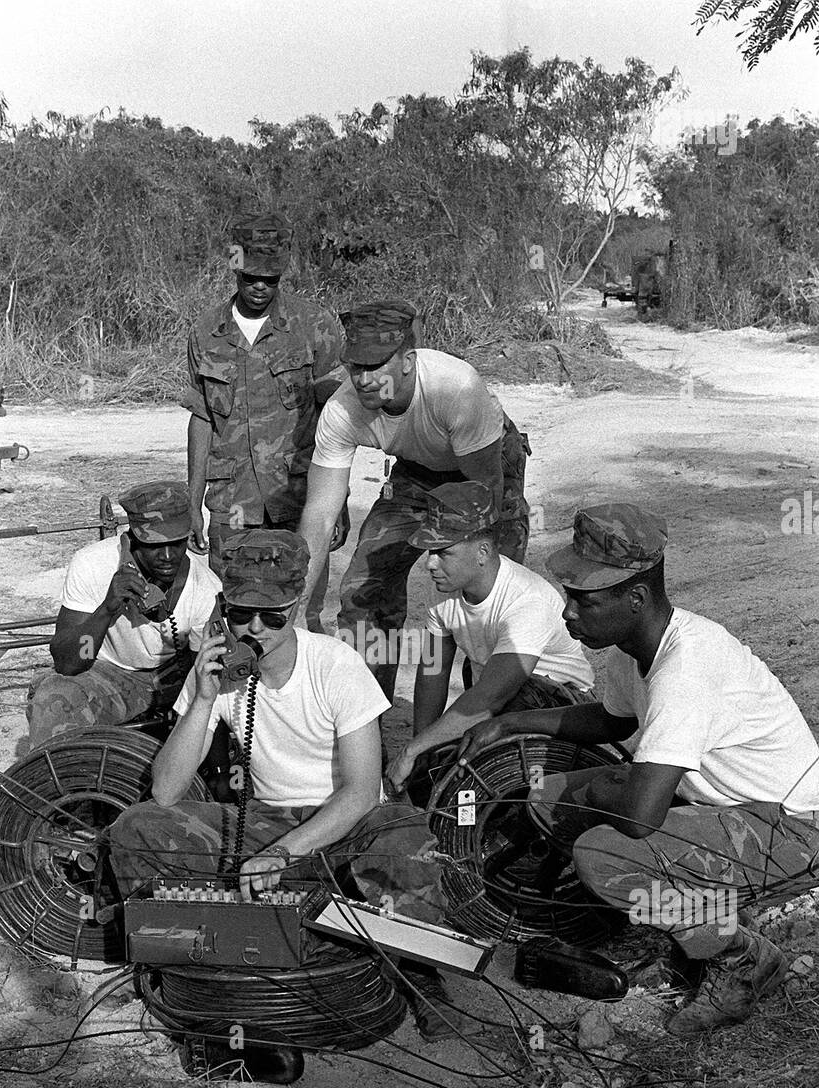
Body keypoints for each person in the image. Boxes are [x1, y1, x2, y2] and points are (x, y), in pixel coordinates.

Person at [459, 502, 819, 1037]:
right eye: (568, 596)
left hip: (790, 828)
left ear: (636, 597)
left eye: (584, 600)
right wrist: (510, 723)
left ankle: (743, 959)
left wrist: (601, 793)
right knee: (546, 797)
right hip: (725, 805)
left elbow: (640, 818)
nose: (568, 613)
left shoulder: (685, 669)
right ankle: (678, 906)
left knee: (603, 853)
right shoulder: (635, 645)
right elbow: (610, 718)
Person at [108, 529, 457, 1048]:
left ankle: (420, 976)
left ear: (294, 609)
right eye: (242, 614)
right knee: (136, 828)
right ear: (224, 610)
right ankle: (177, 957)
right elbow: (165, 791)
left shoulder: (335, 664)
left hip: (344, 827)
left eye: (272, 617)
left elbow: (363, 792)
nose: (255, 629)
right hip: (265, 822)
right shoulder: (219, 671)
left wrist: (281, 854)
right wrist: (202, 699)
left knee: (403, 840)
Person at [296, 299, 532, 697]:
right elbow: (319, 515)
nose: (363, 379)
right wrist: (297, 606)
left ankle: (488, 709)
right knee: (364, 589)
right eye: (355, 366)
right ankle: (365, 709)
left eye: (375, 366)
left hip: (485, 466)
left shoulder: (455, 387)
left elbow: (485, 492)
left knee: (485, 595)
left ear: (408, 361)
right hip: (418, 470)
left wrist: (461, 567)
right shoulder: (341, 411)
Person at [183, 210, 346, 630]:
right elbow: (202, 418)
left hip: (299, 499)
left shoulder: (314, 326)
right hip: (233, 503)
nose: (260, 287)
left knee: (302, 611)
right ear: (235, 268)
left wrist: (338, 502)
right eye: (251, 277)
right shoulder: (206, 332)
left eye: (270, 279)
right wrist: (192, 503)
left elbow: (336, 421)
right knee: (231, 611)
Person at [385, 481, 594, 793]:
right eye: (430, 551)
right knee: (439, 768)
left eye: (443, 552)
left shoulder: (527, 600)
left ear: (482, 551)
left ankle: (531, 796)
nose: (430, 563)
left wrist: (410, 751)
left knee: (487, 768)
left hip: (561, 706)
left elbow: (492, 697)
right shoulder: (443, 587)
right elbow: (433, 669)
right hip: (499, 695)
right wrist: (422, 749)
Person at [27, 482, 221, 748]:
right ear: (132, 541)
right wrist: (107, 609)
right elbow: (69, 663)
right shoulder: (92, 564)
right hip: (109, 674)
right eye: (154, 545)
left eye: (176, 544)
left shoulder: (206, 588)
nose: (167, 556)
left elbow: (202, 680)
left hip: (175, 677)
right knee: (54, 698)